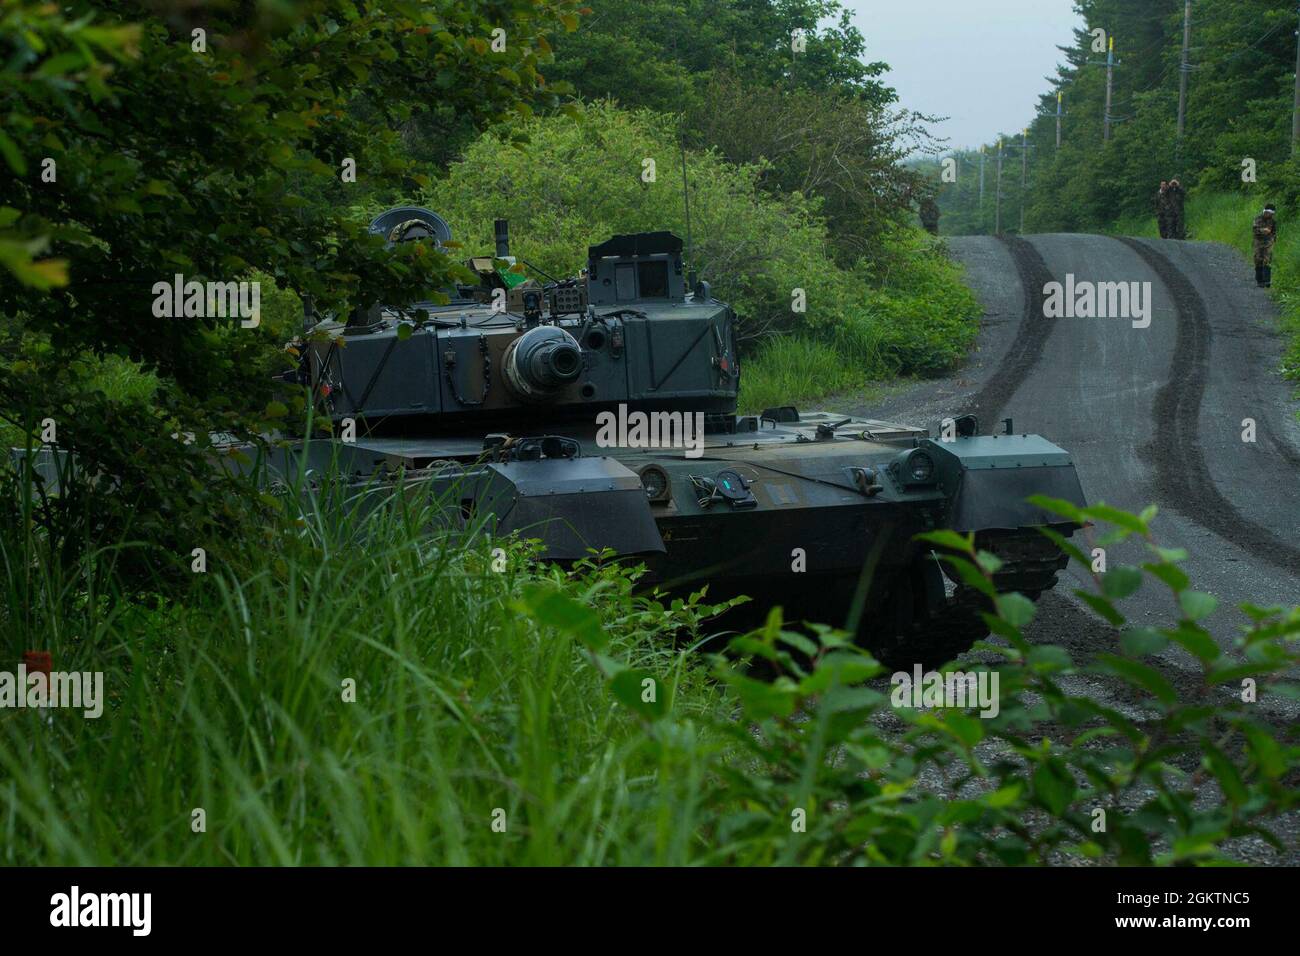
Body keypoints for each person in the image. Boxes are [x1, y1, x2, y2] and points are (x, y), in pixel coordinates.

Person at [1252, 204, 1278, 288]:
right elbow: (1255, 230)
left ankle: (1267, 280)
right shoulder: (1257, 219)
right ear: (1264, 211)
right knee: (1258, 259)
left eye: (1271, 214)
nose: (1269, 215)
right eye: (1268, 213)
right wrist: (1263, 230)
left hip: (1268, 242)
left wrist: (1273, 240)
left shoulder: (1273, 221)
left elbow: (1274, 232)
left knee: (1267, 259)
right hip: (1258, 242)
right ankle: (1260, 280)